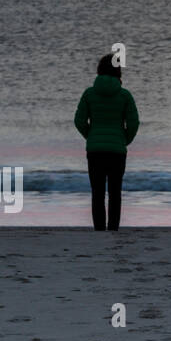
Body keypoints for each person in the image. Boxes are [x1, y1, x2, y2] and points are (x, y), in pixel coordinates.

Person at [74, 54, 140, 230]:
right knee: (115, 193)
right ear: (118, 71)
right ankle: (113, 230)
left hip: (95, 150)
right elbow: (133, 123)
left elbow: (79, 121)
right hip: (117, 150)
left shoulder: (89, 93)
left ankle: (99, 230)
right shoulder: (125, 95)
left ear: (99, 70)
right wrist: (124, 139)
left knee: (97, 193)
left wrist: (92, 136)